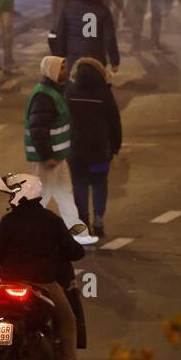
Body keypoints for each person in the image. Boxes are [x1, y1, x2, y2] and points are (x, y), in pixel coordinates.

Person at [0, 173, 88, 360]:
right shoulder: (51, 220)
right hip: (41, 283)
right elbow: (74, 251)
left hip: (7, 282)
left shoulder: (8, 221)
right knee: (68, 319)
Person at [24, 55, 98, 243]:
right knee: (41, 199)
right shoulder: (43, 96)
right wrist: (47, 155)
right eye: (61, 68)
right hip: (48, 159)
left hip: (58, 156)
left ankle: (79, 235)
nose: (65, 71)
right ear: (51, 71)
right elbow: (37, 128)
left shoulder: (54, 92)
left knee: (65, 195)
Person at [65, 57, 122, 238]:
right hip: (100, 150)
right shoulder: (104, 93)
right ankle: (98, 217)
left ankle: (83, 220)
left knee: (79, 183)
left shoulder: (70, 91)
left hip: (76, 150)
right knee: (99, 183)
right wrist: (115, 146)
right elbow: (115, 122)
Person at [49, 0, 119, 74]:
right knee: (95, 87)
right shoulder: (103, 11)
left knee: (73, 85)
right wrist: (114, 61)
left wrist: (61, 56)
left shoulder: (68, 9)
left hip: (74, 59)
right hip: (96, 60)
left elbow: (60, 34)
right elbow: (109, 38)